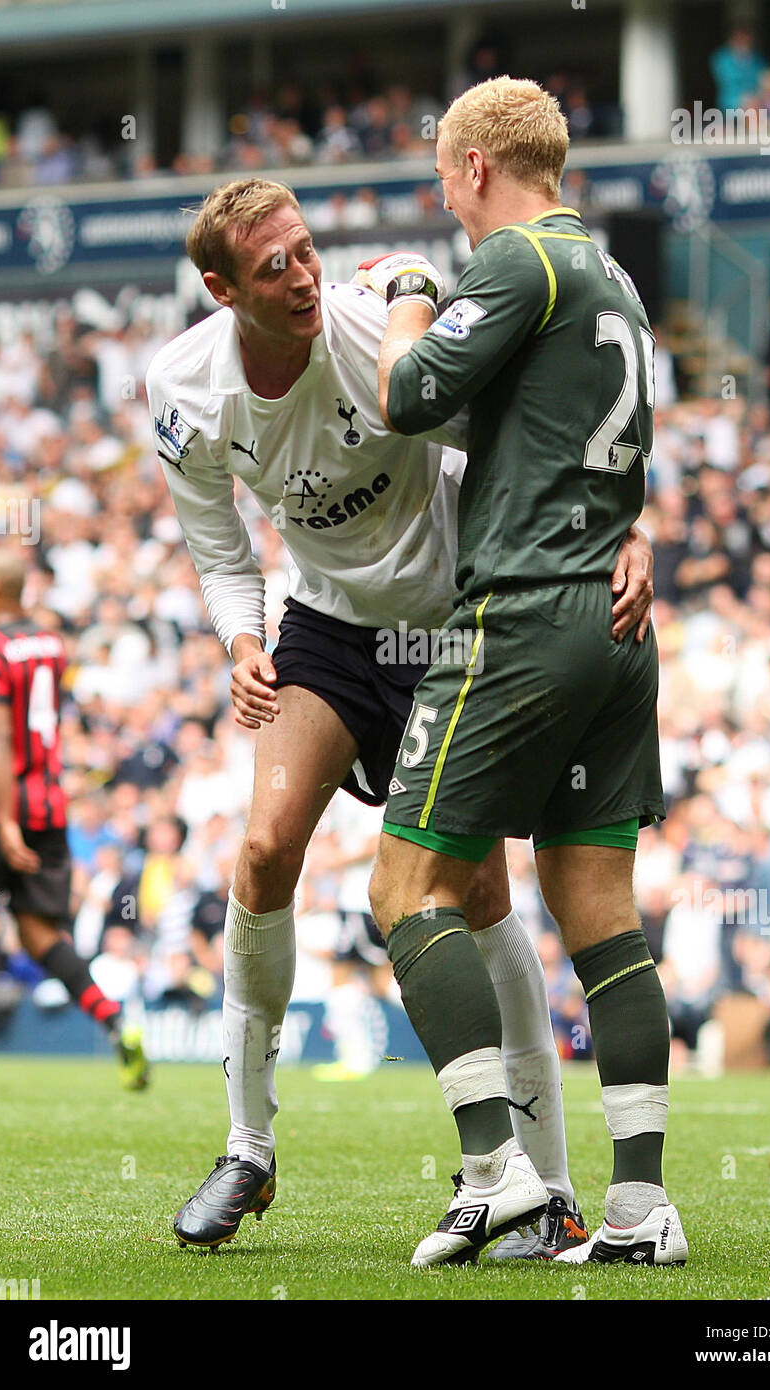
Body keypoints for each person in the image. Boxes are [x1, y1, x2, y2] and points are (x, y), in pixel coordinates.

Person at [147, 177, 655, 1253]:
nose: (301, 274)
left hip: (453, 625)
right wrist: (243, 640)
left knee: (473, 892)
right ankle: (248, 1146)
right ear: (219, 287)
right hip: (327, 628)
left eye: (304, 249)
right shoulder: (183, 388)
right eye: (273, 264)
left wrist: (615, 525)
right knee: (262, 847)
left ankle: (546, 1184)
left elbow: (531, 432)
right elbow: (217, 541)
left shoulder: (379, 324)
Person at [369, 76, 686, 1268]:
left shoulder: (512, 266)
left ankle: (498, 1169)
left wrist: (407, 293)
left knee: (405, 894)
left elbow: (406, 395)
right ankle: (640, 1207)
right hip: (614, 623)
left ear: (473, 168)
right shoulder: (616, 280)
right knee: (600, 909)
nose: (443, 199)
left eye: (444, 175)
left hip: (519, 616)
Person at [0, 547, 149, 1089]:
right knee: (37, 932)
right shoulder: (50, 643)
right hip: (49, 806)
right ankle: (116, 1021)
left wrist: (3, 821)